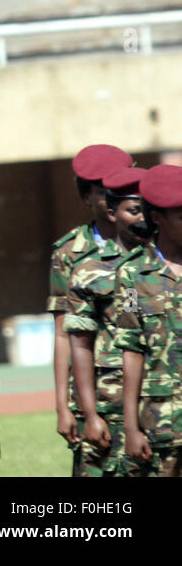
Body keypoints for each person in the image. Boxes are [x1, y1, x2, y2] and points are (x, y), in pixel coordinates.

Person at [48, 143, 132, 470]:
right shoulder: (69, 252)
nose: (112, 200)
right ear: (86, 197)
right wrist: (61, 406)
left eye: (121, 192)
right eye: (103, 193)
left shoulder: (157, 244)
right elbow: (61, 333)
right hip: (96, 394)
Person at [66, 166, 152, 476]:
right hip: (110, 398)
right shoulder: (89, 270)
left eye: (148, 210)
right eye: (133, 210)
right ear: (113, 213)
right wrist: (89, 413)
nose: (143, 218)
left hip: (162, 397)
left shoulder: (166, 265)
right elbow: (80, 345)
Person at [118, 164, 182, 477]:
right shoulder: (133, 274)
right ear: (158, 218)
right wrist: (131, 427)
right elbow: (132, 351)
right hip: (163, 422)